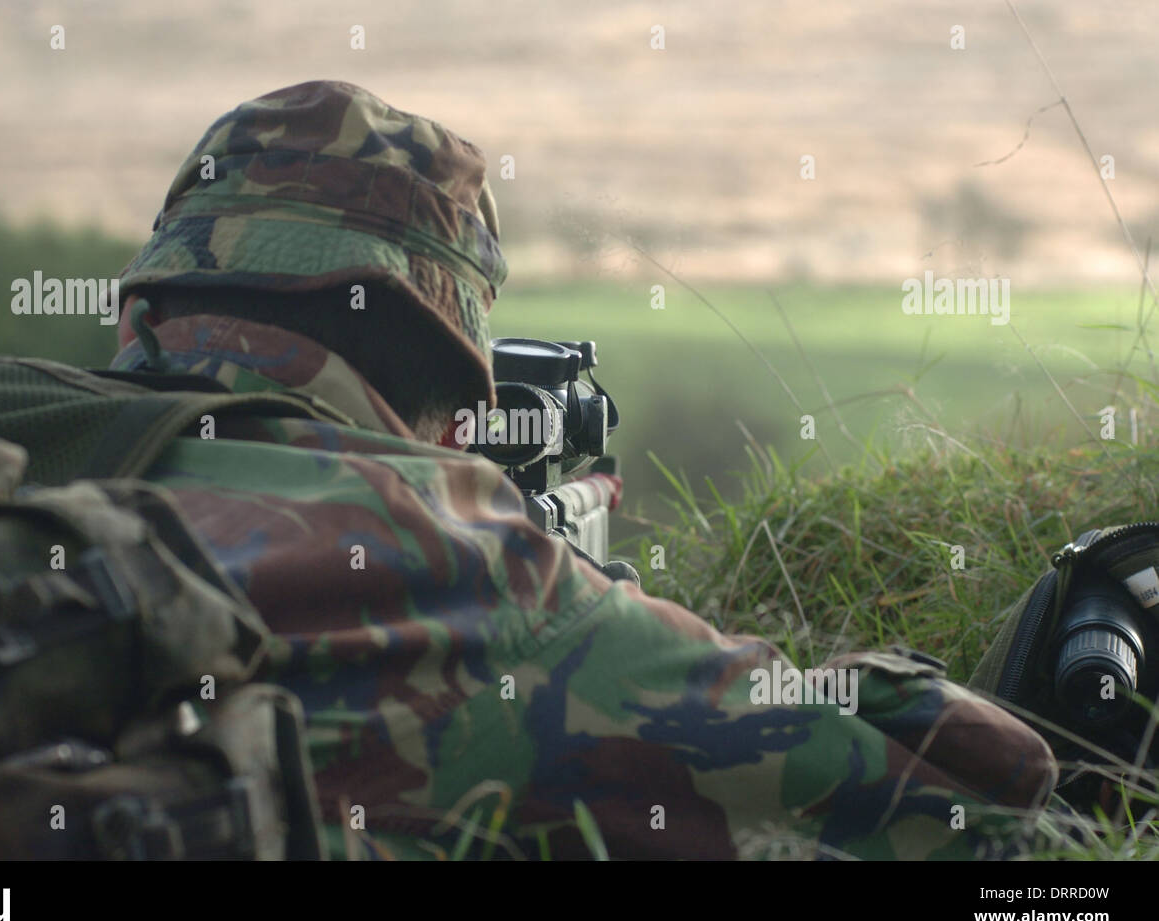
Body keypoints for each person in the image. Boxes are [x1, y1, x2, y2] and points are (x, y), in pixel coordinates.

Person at [109, 79, 1056, 859]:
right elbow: (982, 806)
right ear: (458, 412)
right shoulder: (481, 593)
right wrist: (600, 612)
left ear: (135, 320)